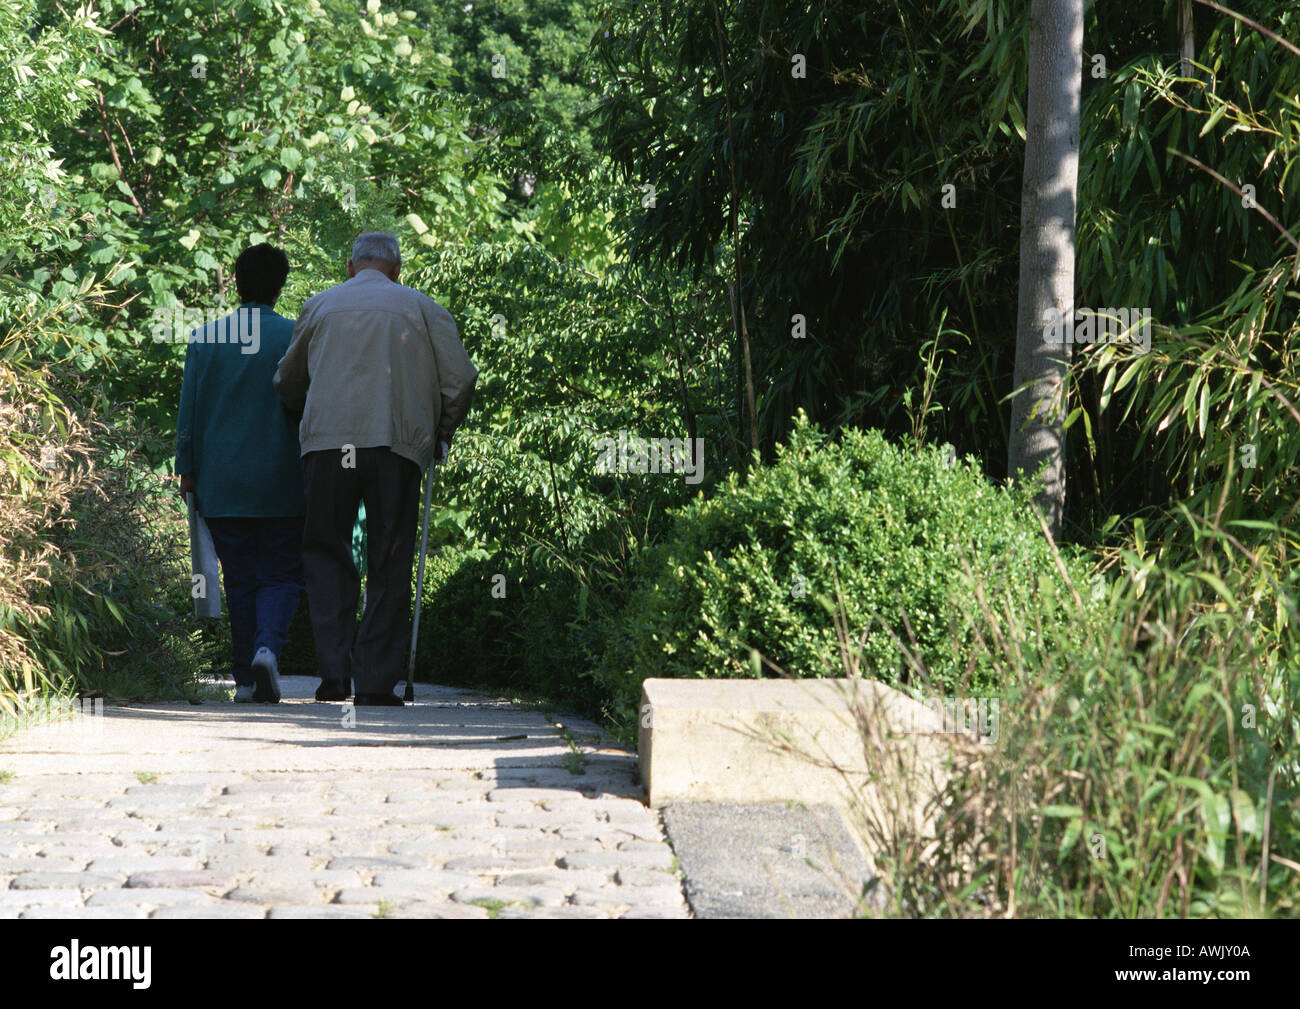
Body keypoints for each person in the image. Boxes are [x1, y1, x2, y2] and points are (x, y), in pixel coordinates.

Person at [274, 232, 477, 706]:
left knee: (327, 554)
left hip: (328, 446)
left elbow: (286, 378)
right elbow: (461, 379)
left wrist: (310, 408)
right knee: (389, 560)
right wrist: (439, 432)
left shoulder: (320, 305)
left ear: (350, 267)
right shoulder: (423, 309)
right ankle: (374, 684)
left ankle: (333, 676)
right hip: (396, 446)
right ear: (397, 270)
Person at [175, 243, 305, 703]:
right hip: (284, 481)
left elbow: (188, 414)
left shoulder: (204, 339)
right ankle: (266, 648)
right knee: (282, 574)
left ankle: (246, 681)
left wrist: (185, 468)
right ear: (281, 286)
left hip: (223, 482)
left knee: (240, 578)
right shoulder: (297, 337)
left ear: (236, 281)